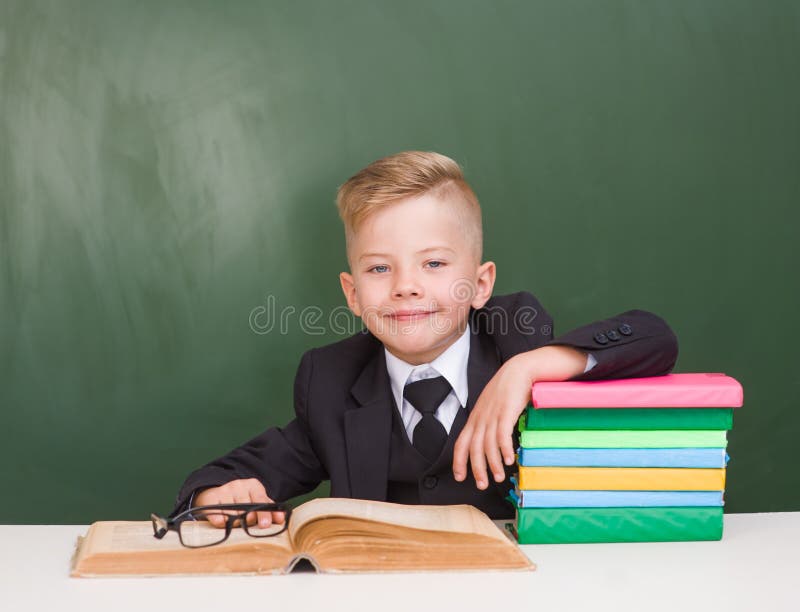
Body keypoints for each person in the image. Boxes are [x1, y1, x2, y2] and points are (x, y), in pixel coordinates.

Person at [169, 151, 678, 528]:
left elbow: (654, 338)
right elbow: (240, 470)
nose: (405, 285)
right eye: (378, 267)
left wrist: (526, 370)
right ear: (352, 293)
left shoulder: (516, 339)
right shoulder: (331, 381)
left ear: (481, 284)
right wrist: (218, 493)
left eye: (433, 263)